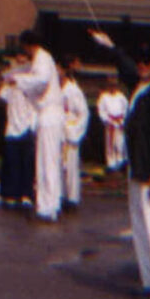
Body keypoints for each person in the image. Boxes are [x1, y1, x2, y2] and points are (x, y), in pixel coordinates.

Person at [92, 30, 150, 299]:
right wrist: (109, 46)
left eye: (148, 61)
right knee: (143, 229)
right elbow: (126, 66)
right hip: (138, 170)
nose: (142, 65)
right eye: (140, 61)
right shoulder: (140, 85)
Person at [8, 30, 65, 223]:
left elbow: (40, 81)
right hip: (44, 115)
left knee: (48, 161)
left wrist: (19, 80)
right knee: (43, 161)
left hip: (50, 114)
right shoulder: (39, 60)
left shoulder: (43, 59)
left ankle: (50, 205)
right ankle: (46, 203)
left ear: (28, 45)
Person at [0, 67, 36, 209]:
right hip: (12, 129)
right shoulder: (10, 88)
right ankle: (9, 194)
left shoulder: (29, 88)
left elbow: (34, 108)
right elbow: (0, 94)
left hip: (25, 129)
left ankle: (26, 194)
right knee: (10, 163)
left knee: (26, 164)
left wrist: (31, 127)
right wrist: (3, 81)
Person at [60, 61, 90, 210]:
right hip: (57, 132)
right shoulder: (53, 89)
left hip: (70, 131)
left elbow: (83, 113)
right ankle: (60, 195)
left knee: (71, 167)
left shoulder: (73, 90)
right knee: (58, 166)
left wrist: (74, 131)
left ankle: (72, 198)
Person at [96, 79, 128, 174]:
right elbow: (101, 110)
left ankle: (121, 161)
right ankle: (111, 163)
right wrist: (107, 120)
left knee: (120, 143)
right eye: (111, 86)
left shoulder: (121, 97)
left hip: (119, 122)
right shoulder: (104, 97)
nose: (113, 88)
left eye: (114, 85)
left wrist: (122, 120)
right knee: (110, 144)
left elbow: (126, 109)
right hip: (110, 123)